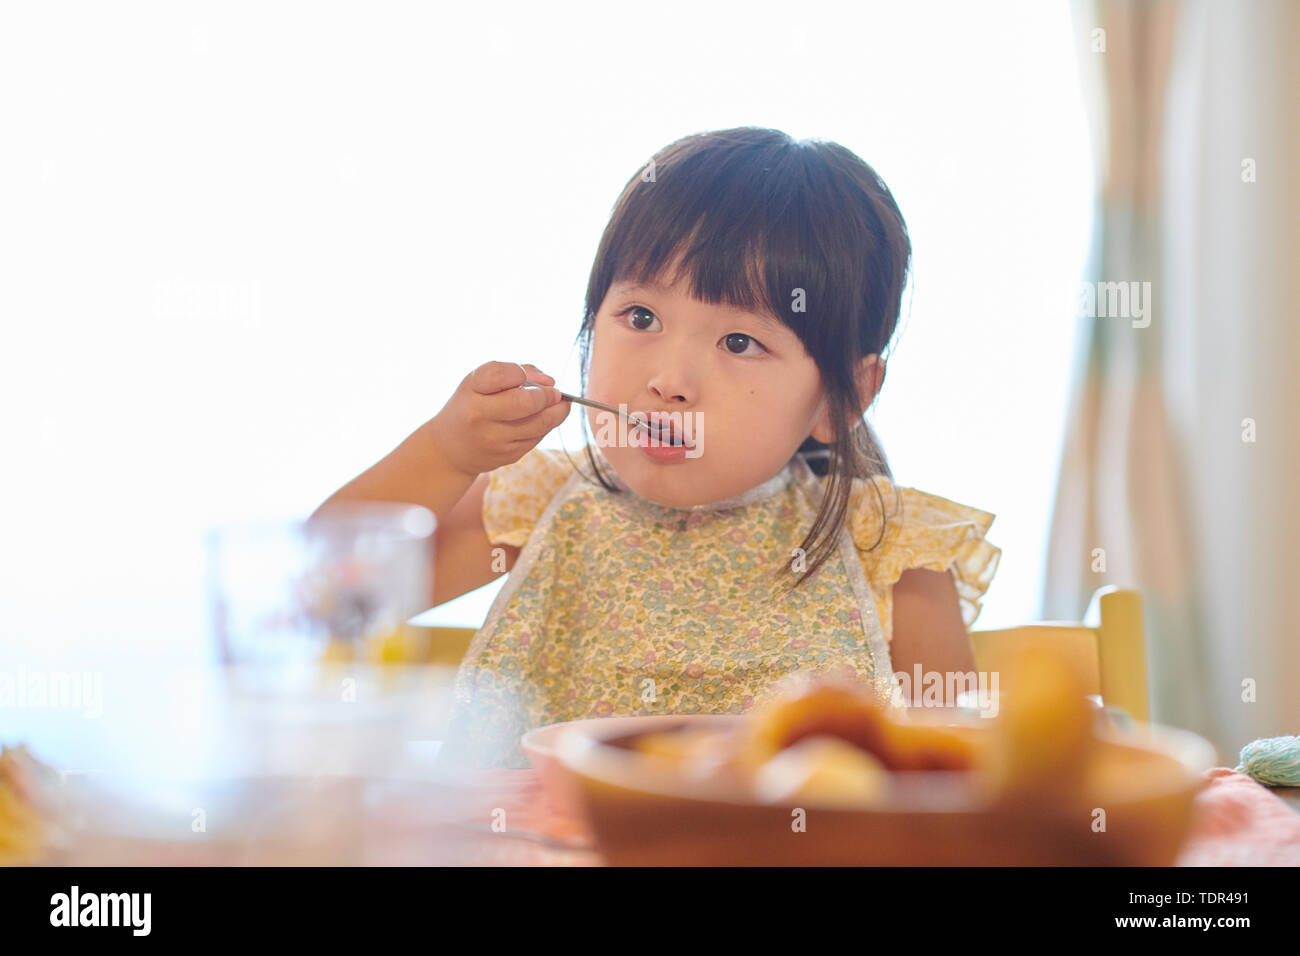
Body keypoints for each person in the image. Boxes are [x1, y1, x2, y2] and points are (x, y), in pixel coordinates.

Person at [315, 127, 1001, 768]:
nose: (669, 381)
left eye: (740, 342)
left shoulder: (894, 550)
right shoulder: (539, 505)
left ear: (841, 399)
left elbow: (950, 790)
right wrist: (446, 454)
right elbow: (321, 596)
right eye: (641, 317)